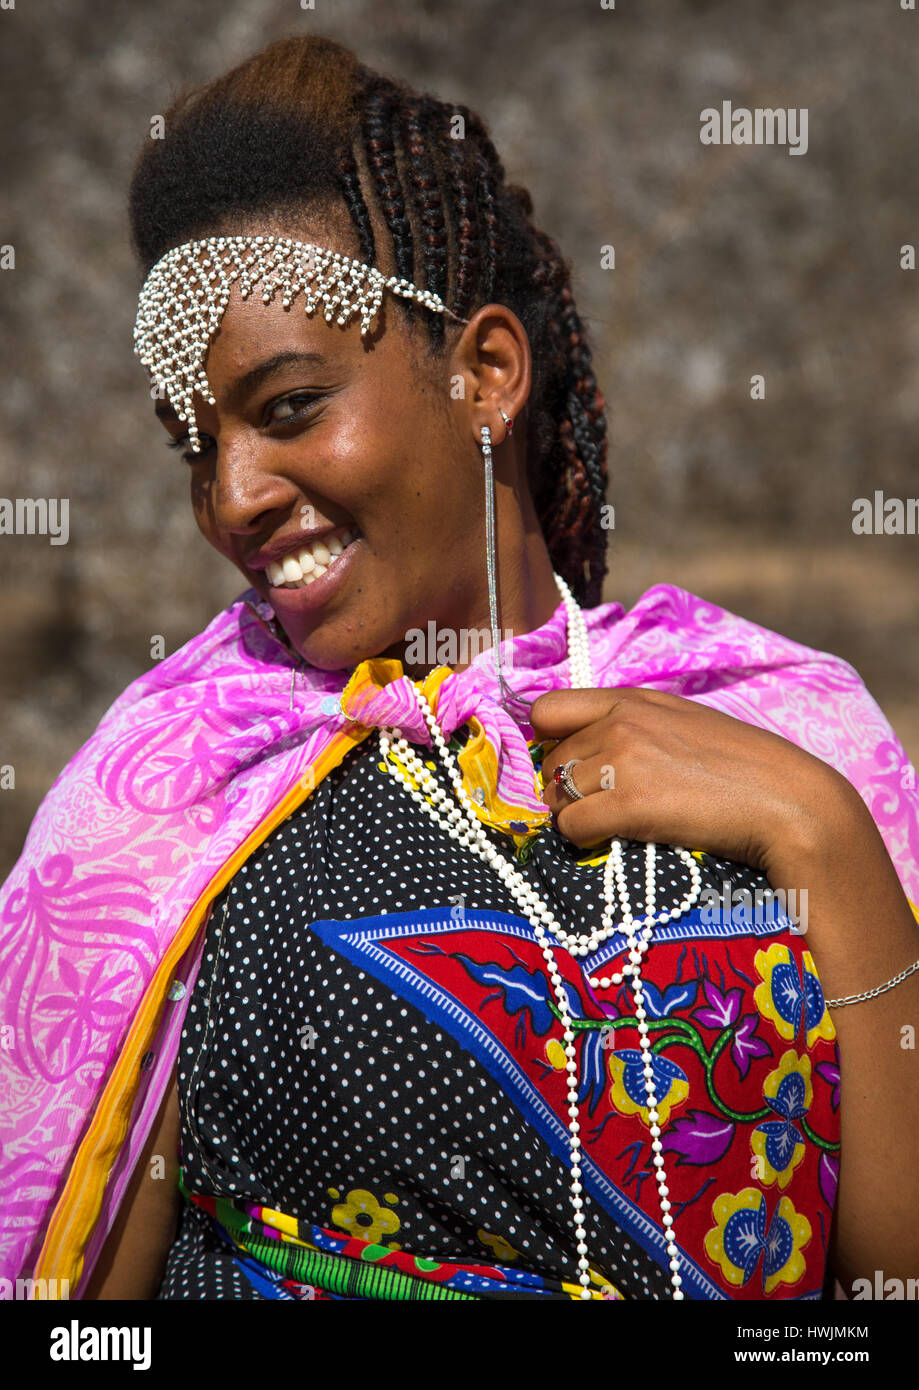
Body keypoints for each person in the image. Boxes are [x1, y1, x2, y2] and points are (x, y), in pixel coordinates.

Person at [2, 33, 918, 1304]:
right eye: (193, 448)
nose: (233, 497)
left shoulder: (780, 729)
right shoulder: (178, 800)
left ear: (484, 372)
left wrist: (822, 838)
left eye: (285, 410)